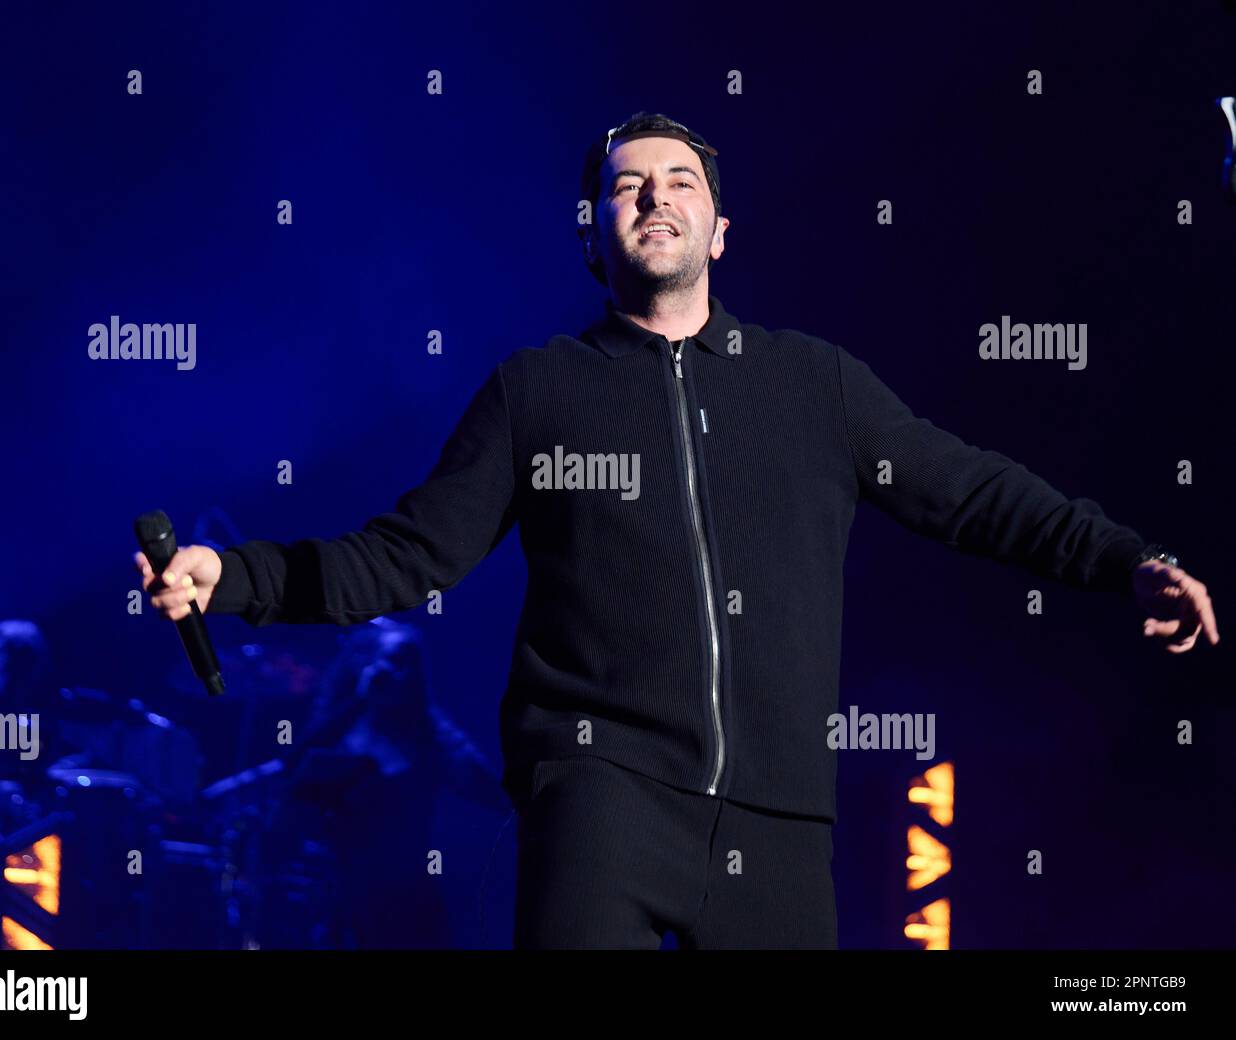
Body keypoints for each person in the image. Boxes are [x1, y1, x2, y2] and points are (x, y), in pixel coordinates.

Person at [134, 111, 1219, 950]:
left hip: (781, 815)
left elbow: (973, 491)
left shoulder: (814, 385)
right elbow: (405, 554)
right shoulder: (538, 390)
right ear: (594, 233)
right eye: (627, 186)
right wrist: (230, 575)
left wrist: (1129, 559)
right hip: (596, 797)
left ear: (720, 226)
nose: (656, 198)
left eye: (681, 182)